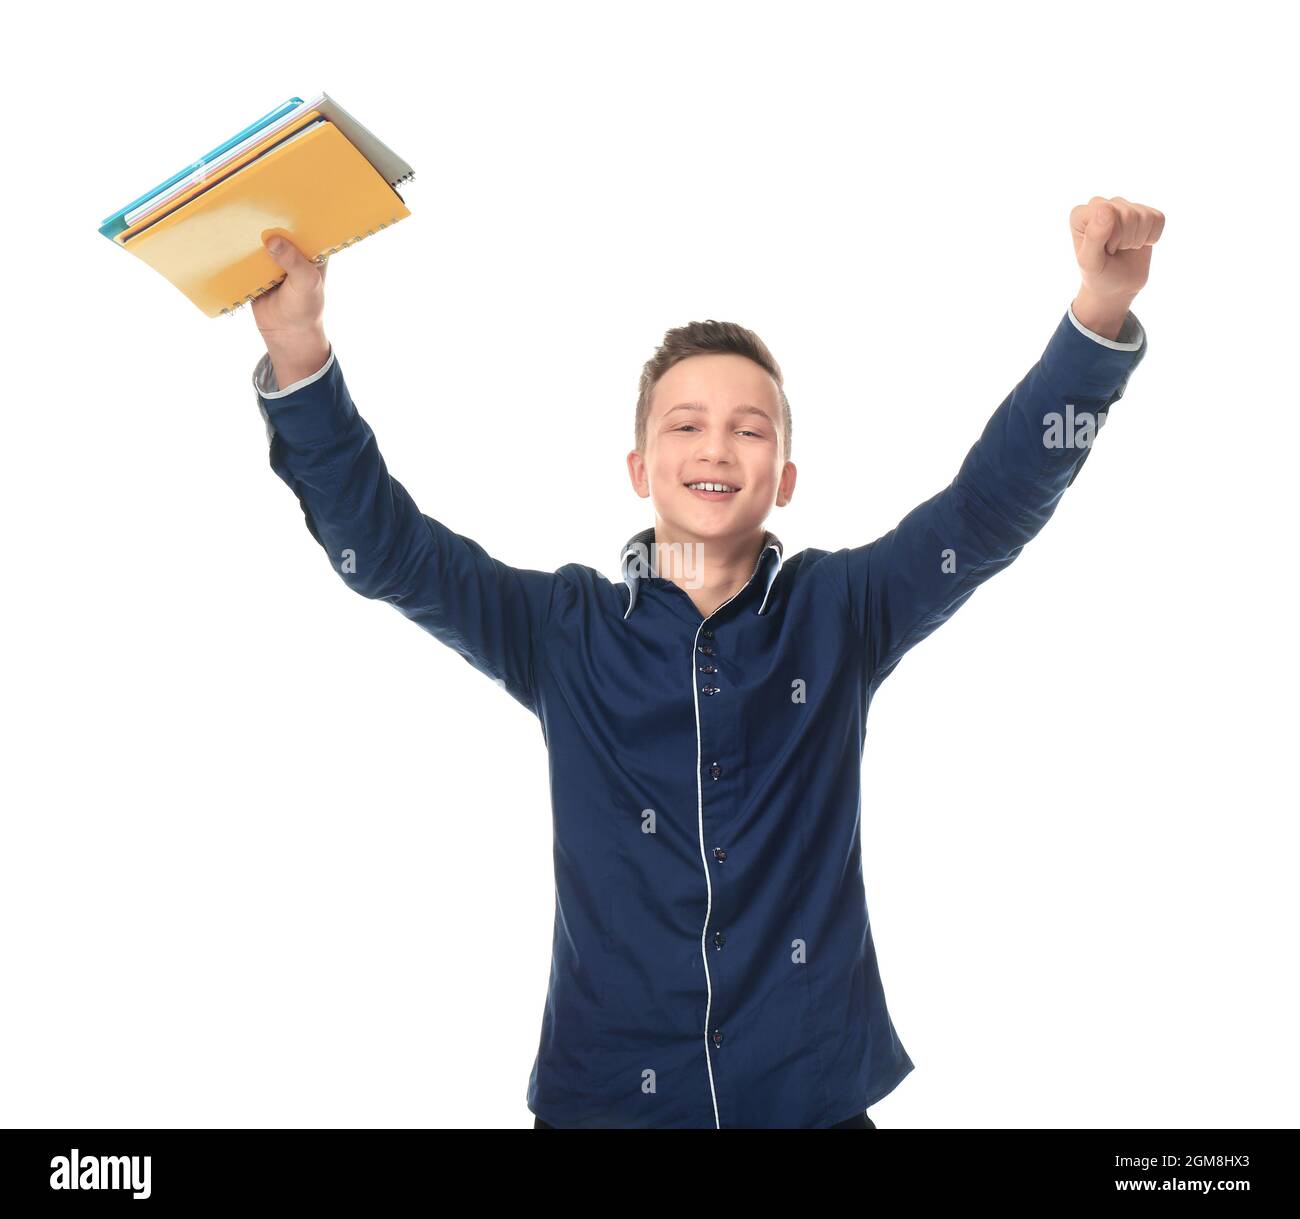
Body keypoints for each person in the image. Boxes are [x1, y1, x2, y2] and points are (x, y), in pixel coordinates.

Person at [248, 197, 1162, 1129]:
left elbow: (989, 507)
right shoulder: (563, 630)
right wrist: (299, 348)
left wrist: (1096, 313)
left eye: (750, 429)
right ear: (641, 466)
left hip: (812, 1098)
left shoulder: (843, 612)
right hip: (607, 1102)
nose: (716, 446)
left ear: (786, 478)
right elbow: (385, 549)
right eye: (685, 426)